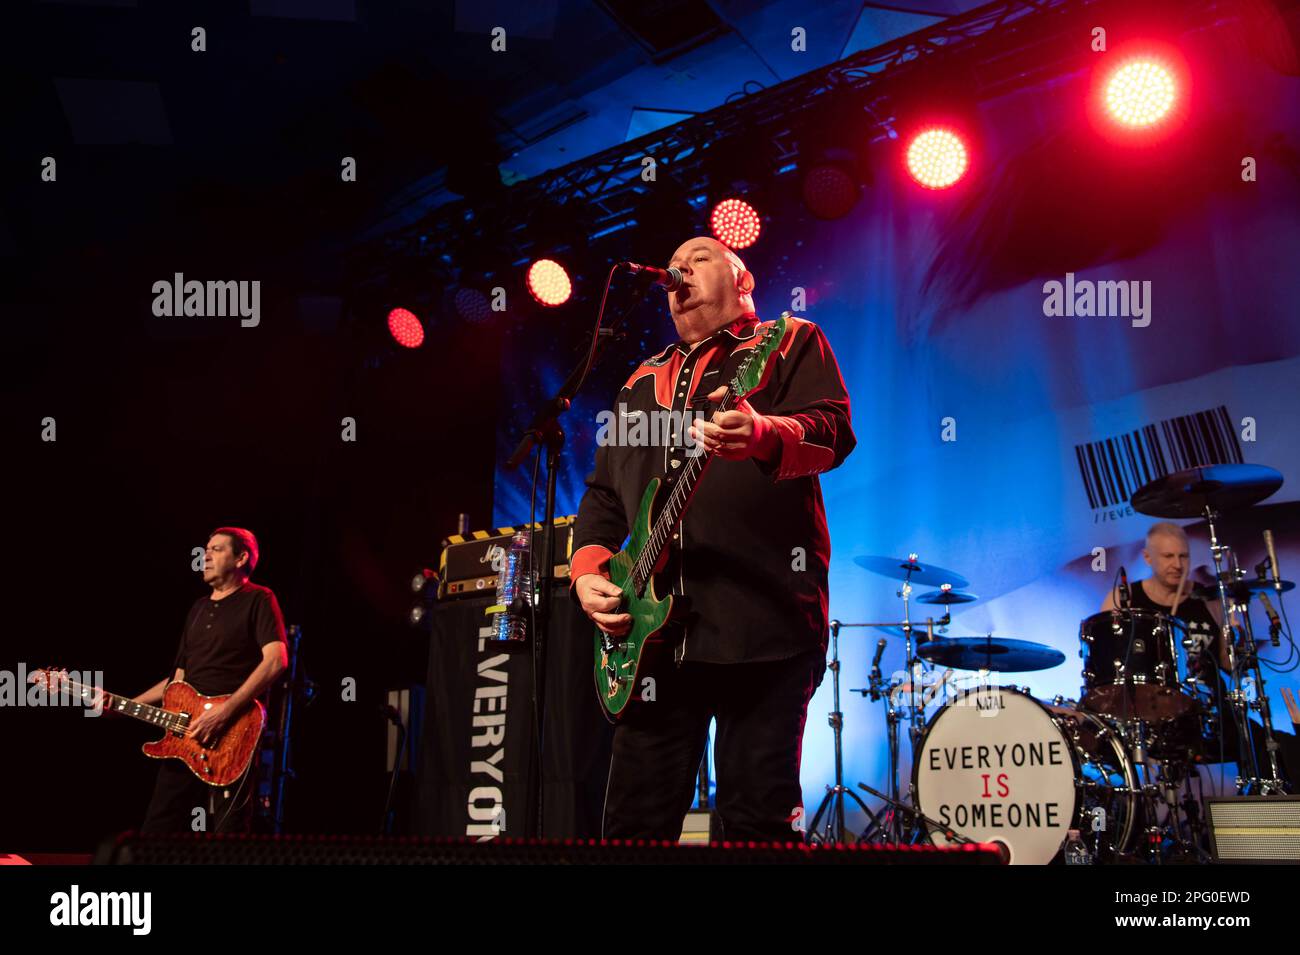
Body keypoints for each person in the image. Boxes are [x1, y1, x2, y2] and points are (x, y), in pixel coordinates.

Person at [571, 236, 855, 841]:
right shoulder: (639, 382)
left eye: (700, 257)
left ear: (744, 280)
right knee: (632, 826)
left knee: (756, 821)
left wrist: (763, 434)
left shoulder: (790, 341)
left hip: (764, 622)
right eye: (674, 263)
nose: (681, 269)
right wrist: (590, 572)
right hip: (648, 637)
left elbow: (833, 432)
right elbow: (602, 496)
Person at [135, 527, 287, 833]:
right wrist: (123, 704)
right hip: (184, 738)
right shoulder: (198, 608)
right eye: (206, 549)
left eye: (216, 549)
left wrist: (223, 713)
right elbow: (176, 682)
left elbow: (276, 660)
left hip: (231, 733)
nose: (205, 555)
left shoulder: (259, 598)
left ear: (242, 557)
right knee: (157, 829)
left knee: (227, 833)